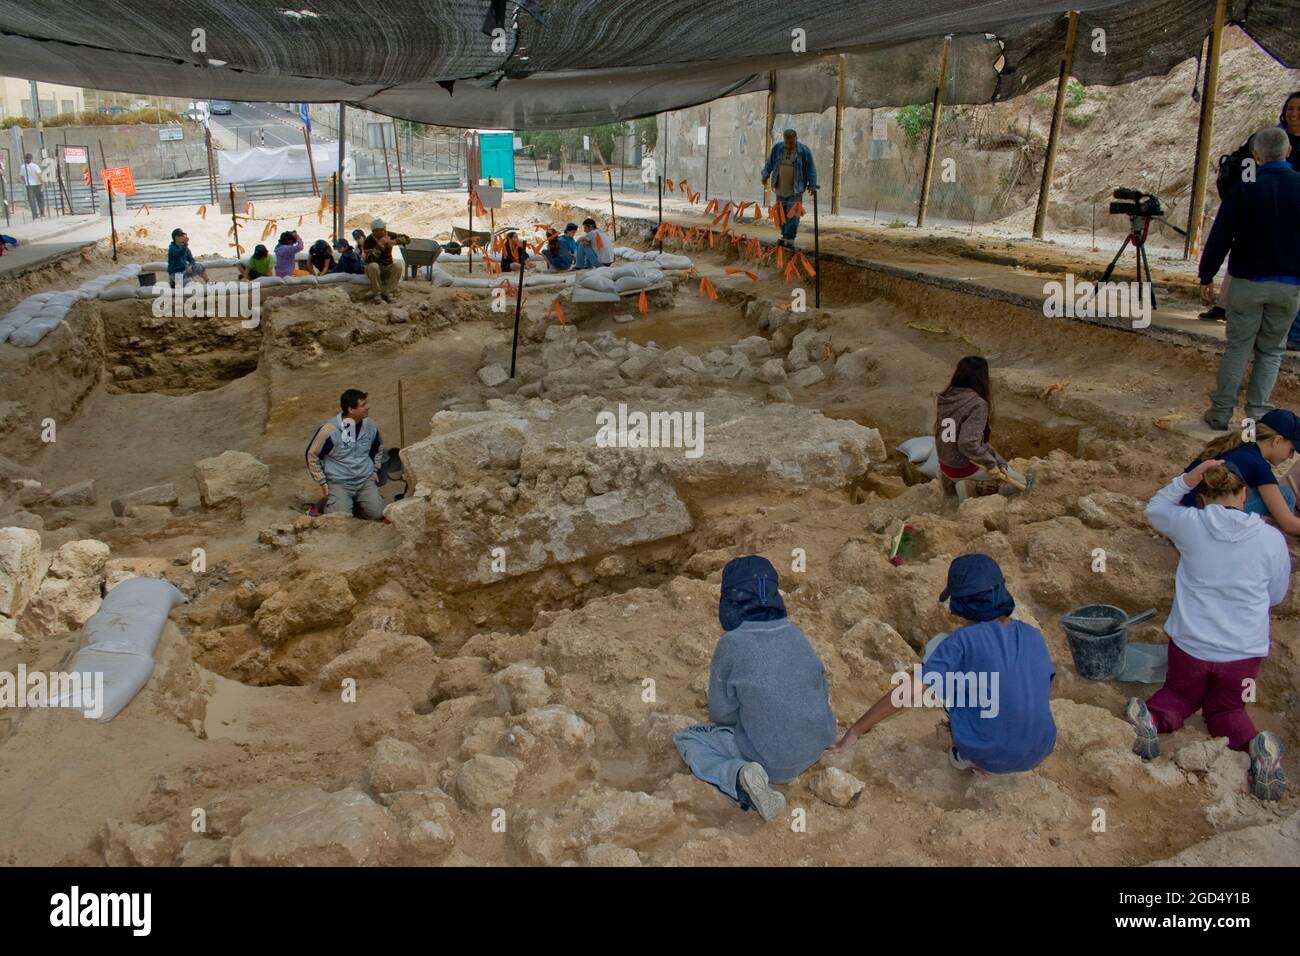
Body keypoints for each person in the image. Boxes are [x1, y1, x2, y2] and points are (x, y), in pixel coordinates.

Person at [1128, 458, 1288, 801]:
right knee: (1227, 710)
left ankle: (1152, 719)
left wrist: (1186, 479)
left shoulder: (1191, 523)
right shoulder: (1271, 539)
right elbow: (1275, 595)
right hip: (1243, 658)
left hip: (1190, 647)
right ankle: (1254, 748)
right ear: (1244, 494)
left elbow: (1155, 509)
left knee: (1180, 695)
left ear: (1202, 497)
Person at [829, 554, 1057, 776]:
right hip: (1040, 749)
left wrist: (856, 730)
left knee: (938, 649)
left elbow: (910, 691)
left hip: (988, 755)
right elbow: (1041, 684)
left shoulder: (962, 641)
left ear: (961, 601)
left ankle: (971, 754)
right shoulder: (1033, 635)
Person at [672, 555, 837, 821]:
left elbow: (721, 715)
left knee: (688, 738)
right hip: (819, 742)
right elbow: (819, 685)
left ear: (728, 600)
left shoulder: (731, 644)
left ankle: (739, 777)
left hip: (773, 762)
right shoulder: (795, 633)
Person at [1198, 127, 1300, 430]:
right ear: (1288, 152)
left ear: (1256, 155)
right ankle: (1256, 415)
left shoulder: (1245, 186)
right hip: (1289, 284)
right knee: (1271, 350)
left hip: (1247, 280)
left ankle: (1220, 413)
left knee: (1238, 347)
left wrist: (1207, 274)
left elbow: (1221, 235)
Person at [1206, 93, 1300, 324]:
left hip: (1292, 211)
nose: (1293, 114)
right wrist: (1254, 185)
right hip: (1263, 206)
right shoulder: (1270, 136)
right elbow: (1244, 161)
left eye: (1298, 109)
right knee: (1245, 247)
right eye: (1290, 108)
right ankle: (1224, 305)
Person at [1178, 408, 1300, 534]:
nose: (1291, 456)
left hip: (1180, 509)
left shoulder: (1237, 444)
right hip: (1202, 523)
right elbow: (1289, 523)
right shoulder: (1258, 464)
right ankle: (1270, 535)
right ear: (1277, 441)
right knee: (1286, 495)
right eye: (1291, 450)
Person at [934, 355, 1030, 501]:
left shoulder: (945, 398)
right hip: (963, 468)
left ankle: (950, 482)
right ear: (981, 378)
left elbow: (980, 444)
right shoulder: (977, 404)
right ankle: (971, 487)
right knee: (1020, 483)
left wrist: (1000, 462)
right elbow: (967, 443)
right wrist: (991, 465)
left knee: (997, 466)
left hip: (945, 465)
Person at [304, 388, 386, 521]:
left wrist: (374, 470)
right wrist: (323, 482)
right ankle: (326, 503)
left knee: (378, 515)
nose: (368, 407)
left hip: (365, 480)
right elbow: (312, 455)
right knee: (340, 519)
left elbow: (378, 447)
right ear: (351, 410)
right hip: (339, 482)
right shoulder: (330, 431)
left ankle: (357, 504)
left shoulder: (370, 425)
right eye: (363, 405)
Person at [760, 128, 817, 248]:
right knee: (781, 214)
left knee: (792, 214)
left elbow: (811, 169)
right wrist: (765, 174)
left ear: (796, 139)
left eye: (791, 142)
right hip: (780, 188)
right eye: (786, 142)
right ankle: (784, 235)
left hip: (795, 189)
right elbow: (769, 163)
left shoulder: (804, 151)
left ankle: (790, 238)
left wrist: (812, 184)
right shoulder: (778, 148)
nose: (788, 145)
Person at [362, 217, 407, 303]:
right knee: (373, 266)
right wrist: (380, 245)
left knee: (398, 266)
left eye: (385, 228)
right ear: (375, 232)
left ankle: (388, 292)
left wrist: (394, 241)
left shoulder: (388, 234)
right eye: (382, 230)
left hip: (387, 267)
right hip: (375, 269)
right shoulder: (368, 241)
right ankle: (377, 293)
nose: (385, 231)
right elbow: (370, 259)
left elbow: (407, 238)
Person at [21, 153, 44, 220]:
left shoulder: (23, 166)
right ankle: (42, 213)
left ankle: (34, 215)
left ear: (25, 158)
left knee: (32, 200)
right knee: (40, 199)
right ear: (31, 158)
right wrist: (42, 182)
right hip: (37, 184)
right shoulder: (35, 166)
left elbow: (22, 176)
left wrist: (25, 182)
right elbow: (39, 175)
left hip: (29, 185)